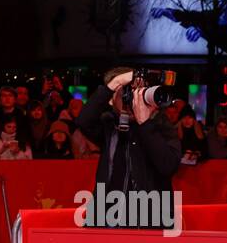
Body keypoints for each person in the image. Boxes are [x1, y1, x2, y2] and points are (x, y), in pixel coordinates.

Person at [74, 67, 182, 201]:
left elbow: (168, 166)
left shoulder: (160, 124)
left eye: (138, 92)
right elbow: (84, 121)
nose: (133, 98)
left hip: (149, 215)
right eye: (126, 92)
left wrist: (145, 124)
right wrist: (114, 83)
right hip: (109, 213)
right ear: (111, 99)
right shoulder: (109, 125)